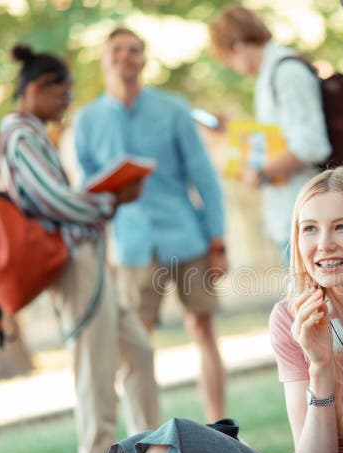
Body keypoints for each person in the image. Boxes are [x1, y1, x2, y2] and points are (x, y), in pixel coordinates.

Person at [64, 166, 343, 453]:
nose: (324, 244)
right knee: (149, 450)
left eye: (342, 227)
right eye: (309, 228)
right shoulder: (290, 318)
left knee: (179, 443)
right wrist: (319, 365)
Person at [1, 44, 159, 453]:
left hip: (87, 262)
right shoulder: (20, 134)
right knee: (95, 374)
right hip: (72, 269)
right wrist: (110, 201)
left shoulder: (34, 134)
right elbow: (53, 200)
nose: (66, 103)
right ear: (35, 88)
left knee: (139, 352)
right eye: (62, 93)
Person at [75, 27, 228, 423]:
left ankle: (221, 427)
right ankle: (147, 437)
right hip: (131, 247)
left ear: (143, 60)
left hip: (186, 237)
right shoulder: (87, 121)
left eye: (135, 50)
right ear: (104, 59)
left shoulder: (173, 108)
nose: (126, 56)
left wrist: (217, 240)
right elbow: (87, 194)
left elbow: (203, 176)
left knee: (203, 330)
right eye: (117, 50)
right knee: (137, 344)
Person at [209, 4, 332, 262]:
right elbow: (280, 134)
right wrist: (236, 127)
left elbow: (310, 144)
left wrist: (262, 174)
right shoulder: (270, 73)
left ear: (238, 44)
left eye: (226, 57)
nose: (229, 65)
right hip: (292, 216)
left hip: (304, 217)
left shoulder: (285, 71)